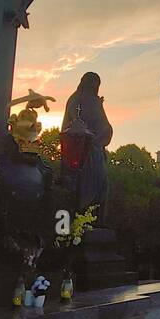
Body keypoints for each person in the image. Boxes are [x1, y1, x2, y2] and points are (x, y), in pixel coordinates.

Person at [63, 72, 112, 219]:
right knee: (86, 187)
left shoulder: (93, 100)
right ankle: (83, 220)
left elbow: (103, 125)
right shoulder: (77, 99)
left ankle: (95, 218)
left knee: (101, 187)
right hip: (84, 152)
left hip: (96, 151)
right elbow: (75, 125)